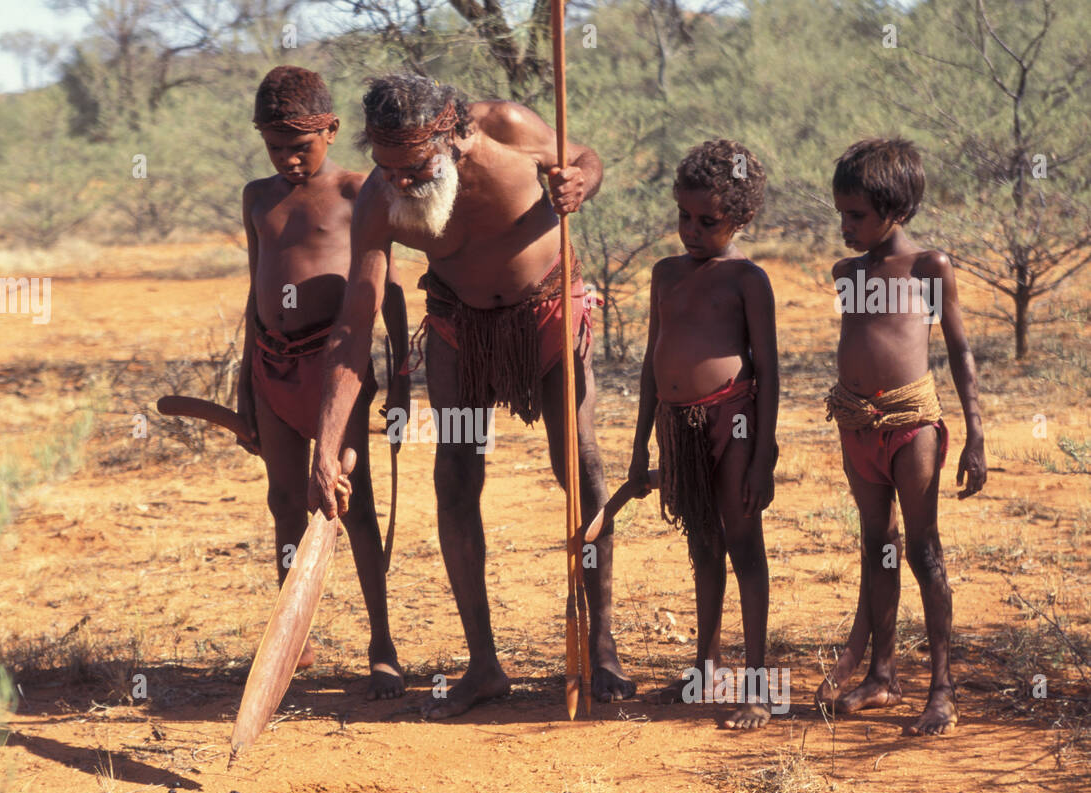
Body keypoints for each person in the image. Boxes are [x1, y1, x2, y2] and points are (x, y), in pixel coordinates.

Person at [308, 74, 635, 717]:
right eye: (387, 167)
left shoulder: (509, 128)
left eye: (415, 167)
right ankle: (483, 664)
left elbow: (585, 157)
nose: (401, 182)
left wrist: (581, 181)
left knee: (581, 464)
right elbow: (355, 322)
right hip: (459, 329)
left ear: (458, 136)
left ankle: (601, 645)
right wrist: (326, 443)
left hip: (547, 312)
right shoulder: (380, 198)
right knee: (454, 475)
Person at [239, 65, 408, 699]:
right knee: (284, 503)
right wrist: (243, 381)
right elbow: (253, 290)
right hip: (269, 363)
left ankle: (382, 643)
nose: (286, 159)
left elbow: (386, 288)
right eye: (274, 146)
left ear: (332, 131)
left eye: (300, 146)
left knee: (351, 506)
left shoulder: (358, 192)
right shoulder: (257, 197)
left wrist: (401, 374)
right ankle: (294, 640)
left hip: (336, 368)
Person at [816, 138, 987, 736]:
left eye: (856, 215)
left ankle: (943, 689)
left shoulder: (928, 267)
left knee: (923, 551)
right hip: (856, 426)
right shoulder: (847, 275)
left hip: (912, 425)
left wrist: (975, 435)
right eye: (841, 213)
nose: (845, 226)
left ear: (896, 208)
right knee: (876, 546)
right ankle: (882, 677)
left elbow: (959, 349)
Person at [629, 140, 781, 728]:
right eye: (683, 217)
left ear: (741, 218)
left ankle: (759, 684)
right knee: (700, 542)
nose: (691, 230)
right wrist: (642, 440)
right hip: (677, 427)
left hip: (732, 421)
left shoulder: (748, 279)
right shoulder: (665, 274)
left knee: (743, 542)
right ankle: (706, 666)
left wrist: (763, 453)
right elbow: (651, 359)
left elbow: (767, 369)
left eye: (708, 221)